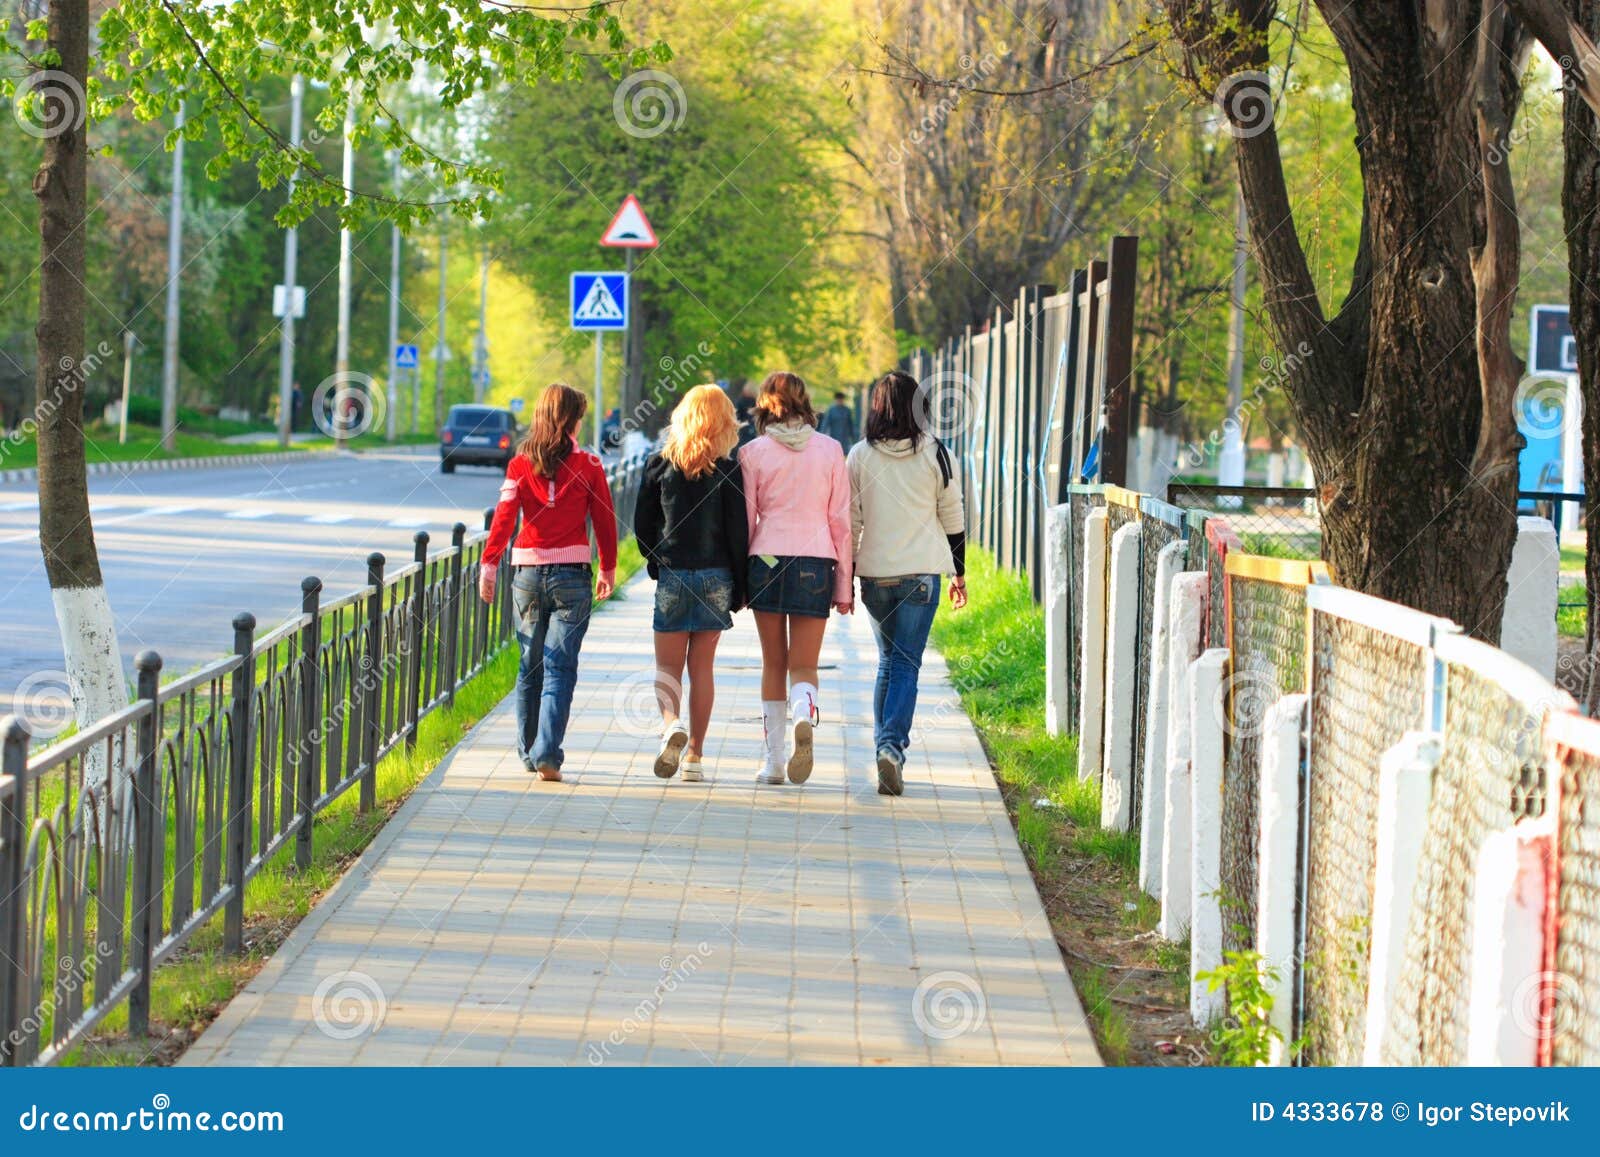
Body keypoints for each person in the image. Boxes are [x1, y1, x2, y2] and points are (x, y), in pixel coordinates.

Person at [480, 382, 617, 782]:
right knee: (560, 668)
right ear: (573, 419)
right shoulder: (590, 464)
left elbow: (504, 518)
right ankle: (547, 753)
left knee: (529, 665)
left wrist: (489, 565)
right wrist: (607, 568)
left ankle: (529, 752)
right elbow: (606, 519)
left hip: (525, 576)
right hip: (572, 577)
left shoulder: (520, 464)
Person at [848, 370, 968, 796]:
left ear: (876, 406)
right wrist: (959, 571)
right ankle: (891, 749)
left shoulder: (860, 455)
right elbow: (952, 515)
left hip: (876, 577)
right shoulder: (937, 453)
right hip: (920, 578)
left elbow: (851, 522)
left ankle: (885, 748)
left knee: (888, 662)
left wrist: (844, 576)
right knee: (905, 664)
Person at [739, 371, 852, 785]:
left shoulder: (752, 452)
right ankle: (805, 711)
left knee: (774, 663)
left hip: (766, 558)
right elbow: (840, 521)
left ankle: (773, 762)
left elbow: (747, 519)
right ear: (805, 402)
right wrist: (843, 584)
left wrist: (744, 579)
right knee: (804, 664)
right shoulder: (831, 450)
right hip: (816, 563)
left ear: (765, 404)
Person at [633, 385, 749, 782]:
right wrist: (741, 586)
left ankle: (671, 726)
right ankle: (695, 758)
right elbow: (739, 533)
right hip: (716, 577)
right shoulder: (730, 471)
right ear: (724, 422)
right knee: (703, 670)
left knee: (667, 667)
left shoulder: (658, 465)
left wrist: (656, 562)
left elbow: (642, 525)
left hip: (673, 574)